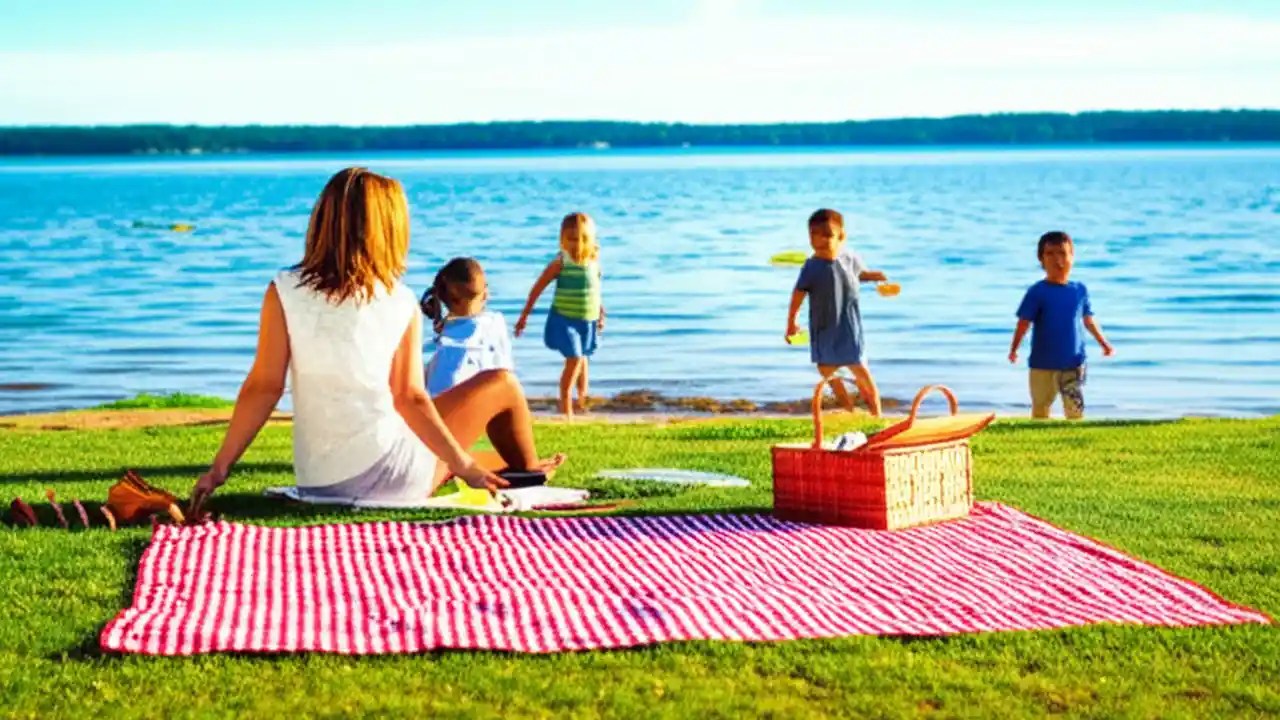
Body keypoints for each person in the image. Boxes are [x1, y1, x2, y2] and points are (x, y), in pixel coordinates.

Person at [189, 167, 562, 511]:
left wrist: (218, 469)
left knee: (455, 452)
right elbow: (409, 398)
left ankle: (505, 469)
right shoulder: (398, 300)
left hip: (319, 480)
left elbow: (264, 387)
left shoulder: (282, 291)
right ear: (389, 231)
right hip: (392, 479)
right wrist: (462, 464)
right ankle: (529, 474)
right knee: (502, 383)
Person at [785, 208, 889, 416]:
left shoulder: (850, 258)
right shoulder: (811, 267)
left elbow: (861, 274)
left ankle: (877, 414)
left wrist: (876, 276)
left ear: (842, 237)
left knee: (861, 370)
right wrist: (791, 323)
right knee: (826, 370)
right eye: (813, 235)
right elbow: (798, 294)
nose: (820, 241)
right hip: (823, 328)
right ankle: (849, 409)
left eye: (827, 236)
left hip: (849, 327)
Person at [1008, 230, 1114, 419]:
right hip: (1042, 364)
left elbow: (1088, 319)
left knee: (1074, 409)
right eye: (1050, 254)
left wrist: (1103, 343)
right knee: (1041, 409)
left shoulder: (1079, 290)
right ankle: (1039, 440)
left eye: (1063, 253)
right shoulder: (1037, 292)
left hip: (1073, 362)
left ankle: (1075, 439)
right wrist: (1014, 349)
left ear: (1072, 257)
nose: (1058, 260)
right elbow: (1024, 323)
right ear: (1041, 260)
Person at [513, 212, 606, 420]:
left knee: (584, 360)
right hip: (565, 319)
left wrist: (600, 311)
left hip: (587, 319)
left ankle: (582, 401)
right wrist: (524, 316)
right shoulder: (561, 262)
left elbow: (595, 290)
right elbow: (537, 288)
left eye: (582, 239)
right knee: (575, 359)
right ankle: (566, 407)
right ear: (562, 239)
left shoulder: (593, 262)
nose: (576, 243)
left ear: (591, 239)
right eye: (571, 239)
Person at [420, 257, 514, 397]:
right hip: (495, 403)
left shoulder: (444, 345)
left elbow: (437, 392)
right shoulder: (496, 323)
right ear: (486, 294)